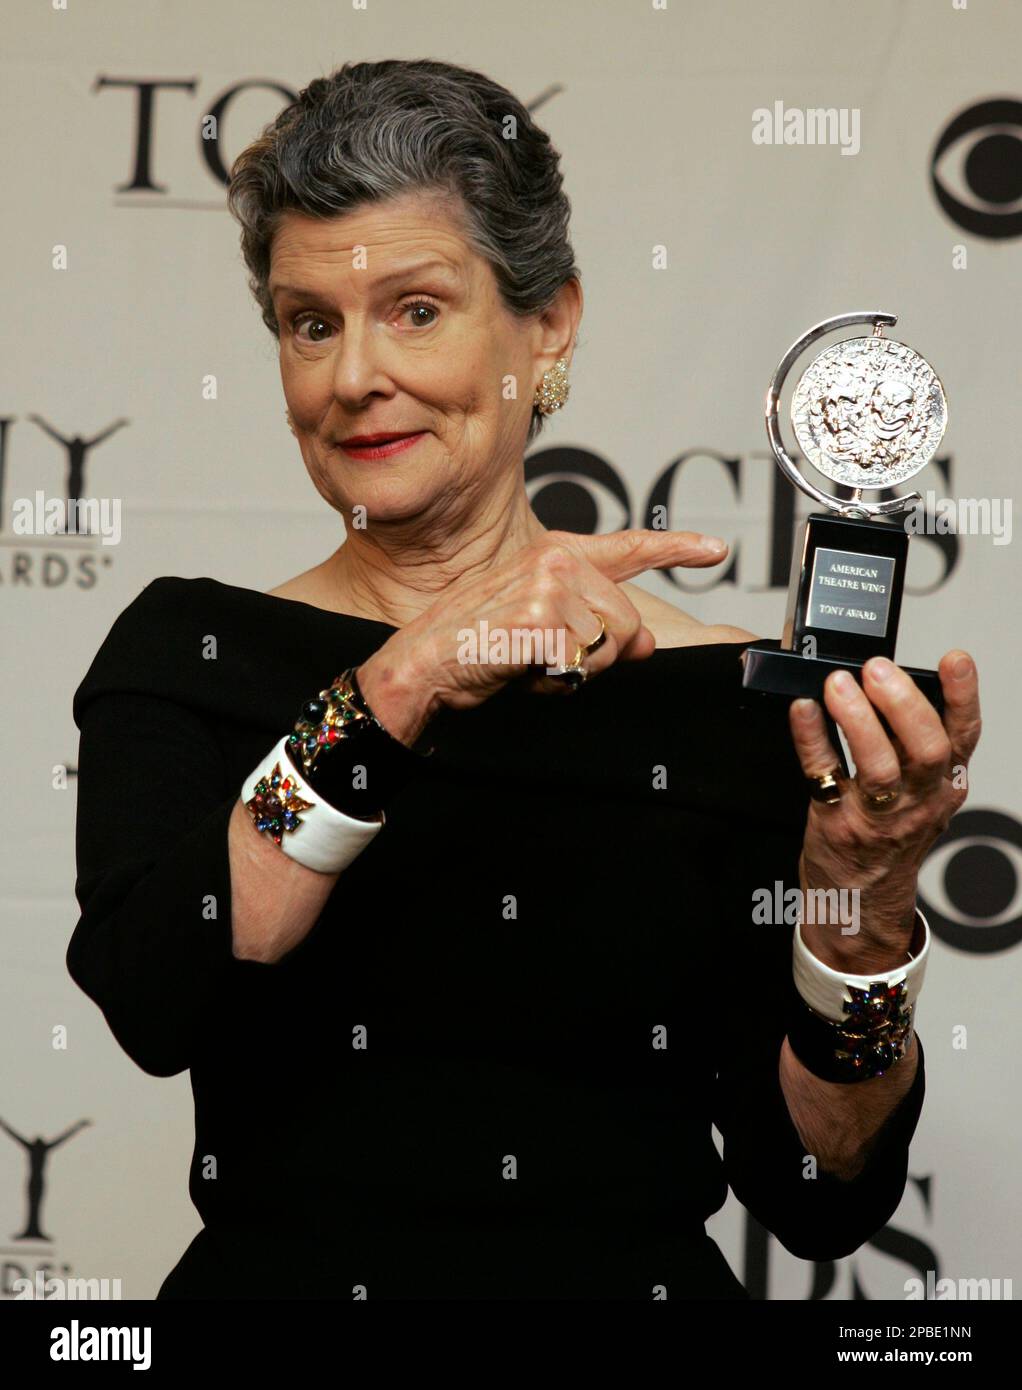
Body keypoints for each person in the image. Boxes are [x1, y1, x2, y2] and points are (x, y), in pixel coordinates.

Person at [67, 58, 981, 1300]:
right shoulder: (193, 657)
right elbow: (157, 994)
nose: (350, 379)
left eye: (417, 309)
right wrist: (405, 679)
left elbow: (821, 1188)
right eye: (310, 322)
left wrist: (857, 911)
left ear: (545, 322)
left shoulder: (715, 700)